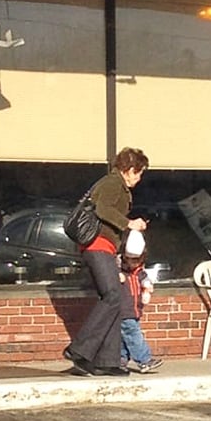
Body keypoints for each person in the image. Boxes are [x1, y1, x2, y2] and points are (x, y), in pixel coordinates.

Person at [63, 147, 149, 377]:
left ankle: (107, 362)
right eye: (139, 174)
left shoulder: (116, 184)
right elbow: (102, 209)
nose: (139, 179)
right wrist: (129, 223)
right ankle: (79, 350)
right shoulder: (112, 183)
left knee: (115, 298)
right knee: (112, 295)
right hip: (97, 246)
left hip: (106, 249)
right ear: (130, 170)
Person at [119, 229, 163, 373]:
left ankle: (121, 360)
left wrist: (147, 287)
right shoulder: (119, 271)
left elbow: (145, 280)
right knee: (133, 334)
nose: (134, 264)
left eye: (137, 261)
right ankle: (144, 360)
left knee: (125, 337)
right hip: (124, 310)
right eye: (131, 260)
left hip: (135, 309)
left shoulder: (139, 272)